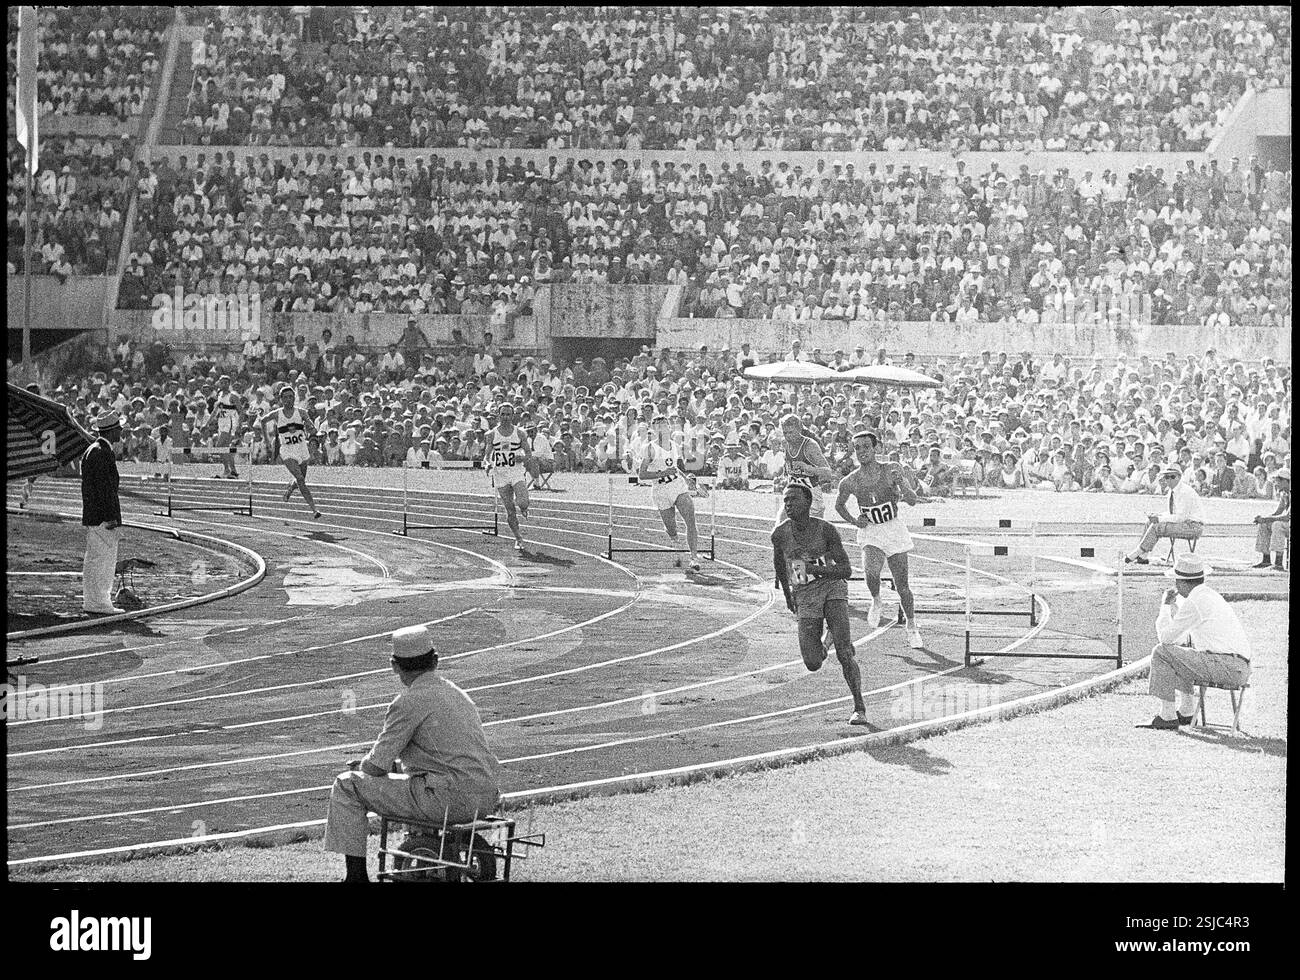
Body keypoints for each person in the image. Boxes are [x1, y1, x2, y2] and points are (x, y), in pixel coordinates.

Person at [324, 625, 503, 882]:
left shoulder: (408, 701)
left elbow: (376, 766)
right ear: (436, 660)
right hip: (485, 796)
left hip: (445, 799)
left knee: (347, 785)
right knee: (408, 777)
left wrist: (362, 765)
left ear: (394, 665)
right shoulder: (458, 694)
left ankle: (355, 877)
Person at [772, 480, 869, 726]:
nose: (788, 504)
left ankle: (859, 707)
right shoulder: (780, 534)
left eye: (793, 499)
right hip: (805, 592)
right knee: (813, 662)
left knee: (845, 652)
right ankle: (828, 639)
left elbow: (846, 570)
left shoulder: (826, 530)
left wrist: (814, 568)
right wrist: (787, 594)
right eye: (785, 500)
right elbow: (780, 568)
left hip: (832, 587)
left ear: (809, 502)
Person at [834, 431, 929, 649]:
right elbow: (839, 505)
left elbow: (913, 500)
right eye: (857, 447)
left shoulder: (891, 469)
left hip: (893, 529)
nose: (862, 451)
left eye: (866, 446)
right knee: (871, 572)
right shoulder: (850, 481)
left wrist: (902, 485)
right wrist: (853, 520)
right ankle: (876, 599)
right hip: (871, 531)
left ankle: (912, 627)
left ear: (875, 448)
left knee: (903, 586)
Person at [1145, 556, 1251, 730]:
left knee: (1161, 652)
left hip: (1226, 666)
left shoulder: (1195, 601)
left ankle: (1167, 716)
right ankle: (1186, 711)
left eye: (1177, 581)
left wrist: (1165, 607)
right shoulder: (1207, 595)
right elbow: (1179, 640)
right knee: (1182, 649)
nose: (1176, 586)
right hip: (1238, 666)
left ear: (1184, 582)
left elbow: (1165, 639)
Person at [637, 416, 703, 571]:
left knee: (690, 520)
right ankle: (673, 537)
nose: (662, 429)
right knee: (672, 528)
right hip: (660, 489)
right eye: (658, 426)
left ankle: (694, 557)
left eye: (664, 425)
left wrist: (686, 478)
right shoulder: (649, 448)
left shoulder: (674, 445)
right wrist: (663, 473)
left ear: (669, 428)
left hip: (677, 485)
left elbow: (674, 467)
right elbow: (642, 475)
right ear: (653, 430)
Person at [81, 410, 125, 615]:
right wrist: (111, 517)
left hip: (95, 515)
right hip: (102, 517)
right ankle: (99, 602)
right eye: (118, 427)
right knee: (103, 561)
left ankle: (95, 600)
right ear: (112, 431)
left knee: (96, 559)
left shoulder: (94, 450)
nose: (122, 430)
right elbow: (105, 489)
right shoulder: (101, 452)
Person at [259, 384, 321, 519]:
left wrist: (311, 429)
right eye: (285, 397)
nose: (288, 400)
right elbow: (263, 421)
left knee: (300, 479)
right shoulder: (277, 413)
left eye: (291, 397)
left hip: (301, 449)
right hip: (287, 450)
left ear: (294, 398)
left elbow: (311, 427)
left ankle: (290, 489)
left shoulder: (301, 412)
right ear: (281, 399)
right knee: (300, 478)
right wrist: (267, 439)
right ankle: (314, 509)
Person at [1125, 464, 1204, 565]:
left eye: (1172, 476)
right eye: (1166, 477)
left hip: (1193, 526)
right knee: (1150, 522)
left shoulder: (1185, 492)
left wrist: (1159, 519)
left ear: (1179, 477)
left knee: (1157, 526)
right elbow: (1172, 513)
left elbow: (1180, 517)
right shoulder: (1172, 491)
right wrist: (1158, 516)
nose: (1169, 479)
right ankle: (1142, 556)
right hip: (1184, 523)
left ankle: (1135, 553)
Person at [488, 402, 534, 551]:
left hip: (516, 472)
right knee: (510, 510)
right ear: (498, 415)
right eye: (503, 414)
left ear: (513, 415)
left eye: (508, 414)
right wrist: (488, 464)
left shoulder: (520, 433)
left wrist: (522, 458)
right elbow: (487, 456)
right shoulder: (491, 434)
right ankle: (518, 538)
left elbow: (528, 454)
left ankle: (523, 505)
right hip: (501, 474)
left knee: (523, 503)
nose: (506, 417)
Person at [775, 413, 834, 523]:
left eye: (791, 432)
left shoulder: (810, 445)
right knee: (780, 526)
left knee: (810, 535)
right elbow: (788, 465)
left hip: (811, 496)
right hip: (793, 494)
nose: (788, 436)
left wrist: (809, 468)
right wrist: (784, 477)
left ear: (799, 429)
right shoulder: (785, 444)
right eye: (785, 433)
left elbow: (828, 472)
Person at [1252, 468, 1290, 570]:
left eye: (1278, 481)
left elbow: (1287, 517)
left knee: (1277, 525)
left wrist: (1266, 519)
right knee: (1265, 524)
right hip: (1288, 525)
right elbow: (1278, 512)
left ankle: (1278, 563)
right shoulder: (1284, 493)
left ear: (1286, 481)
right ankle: (1266, 560)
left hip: (1288, 523)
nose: (1275, 484)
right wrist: (1264, 519)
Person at [211, 374, 243, 478]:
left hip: (230, 423)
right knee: (225, 448)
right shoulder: (219, 395)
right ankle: (233, 471)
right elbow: (215, 411)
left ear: (229, 384)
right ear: (219, 383)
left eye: (226, 382)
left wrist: (239, 426)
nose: (224, 384)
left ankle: (227, 469)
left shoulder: (233, 396)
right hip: (221, 423)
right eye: (222, 382)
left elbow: (241, 411)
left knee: (219, 446)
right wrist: (207, 424)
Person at [18, 382, 43, 508]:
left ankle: (24, 497)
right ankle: (24, 497)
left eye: (35, 392)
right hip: (28, 439)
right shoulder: (23, 405)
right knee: (32, 473)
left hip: (39, 438)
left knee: (35, 473)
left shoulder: (42, 405)